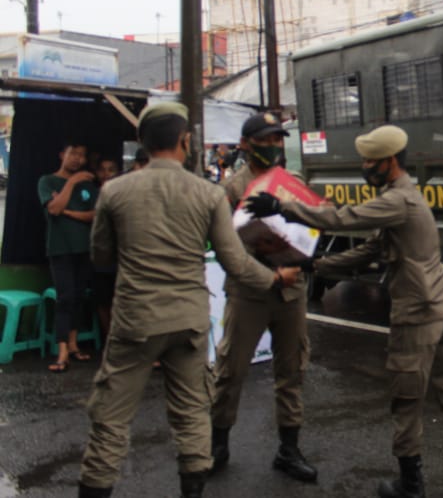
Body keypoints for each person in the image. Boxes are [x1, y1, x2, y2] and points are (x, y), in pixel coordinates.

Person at [244, 125, 443, 498]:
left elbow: (344, 219)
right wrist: (314, 265)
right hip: (438, 307)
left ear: (389, 162)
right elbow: (369, 251)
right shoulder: (402, 198)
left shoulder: (397, 200)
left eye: (370, 161)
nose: (365, 167)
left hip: (417, 312)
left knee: (406, 399)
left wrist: (282, 208)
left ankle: (411, 485)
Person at [78, 102, 300, 498]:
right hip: (189, 321)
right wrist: (275, 278)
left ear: (144, 143)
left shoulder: (114, 190)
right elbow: (235, 261)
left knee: (110, 419)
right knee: (192, 413)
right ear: (185, 141)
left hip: (136, 320)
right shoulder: (208, 193)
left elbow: (101, 257)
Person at [210, 112, 317, 483]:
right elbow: (228, 248)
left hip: (291, 291)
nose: (272, 147)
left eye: (277, 140)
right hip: (249, 293)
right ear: (245, 144)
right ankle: (218, 445)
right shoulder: (231, 190)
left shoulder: (292, 184)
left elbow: (310, 227)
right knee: (231, 371)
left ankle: (289, 449)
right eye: (265, 140)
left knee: (292, 370)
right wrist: (269, 273)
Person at [38, 139, 98, 373]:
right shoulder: (47, 181)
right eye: (73, 153)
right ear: (62, 154)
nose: (77, 159)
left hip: (84, 248)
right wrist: (71, 182)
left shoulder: (89, 185)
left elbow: (94, 215)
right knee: (65, 297)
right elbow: (53, 209)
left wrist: (67, 211)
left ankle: (73, 345)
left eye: (82, 155)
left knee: (79, 297)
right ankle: (62, 350)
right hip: (60, 249)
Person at [92, 157, 121, 343]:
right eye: (102, 169)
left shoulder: (123, 193)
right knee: (103, 300)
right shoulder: (92, 193)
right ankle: (109, 339)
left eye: (111, 169)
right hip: (101, 257)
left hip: (122, 256)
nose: (106, 174)